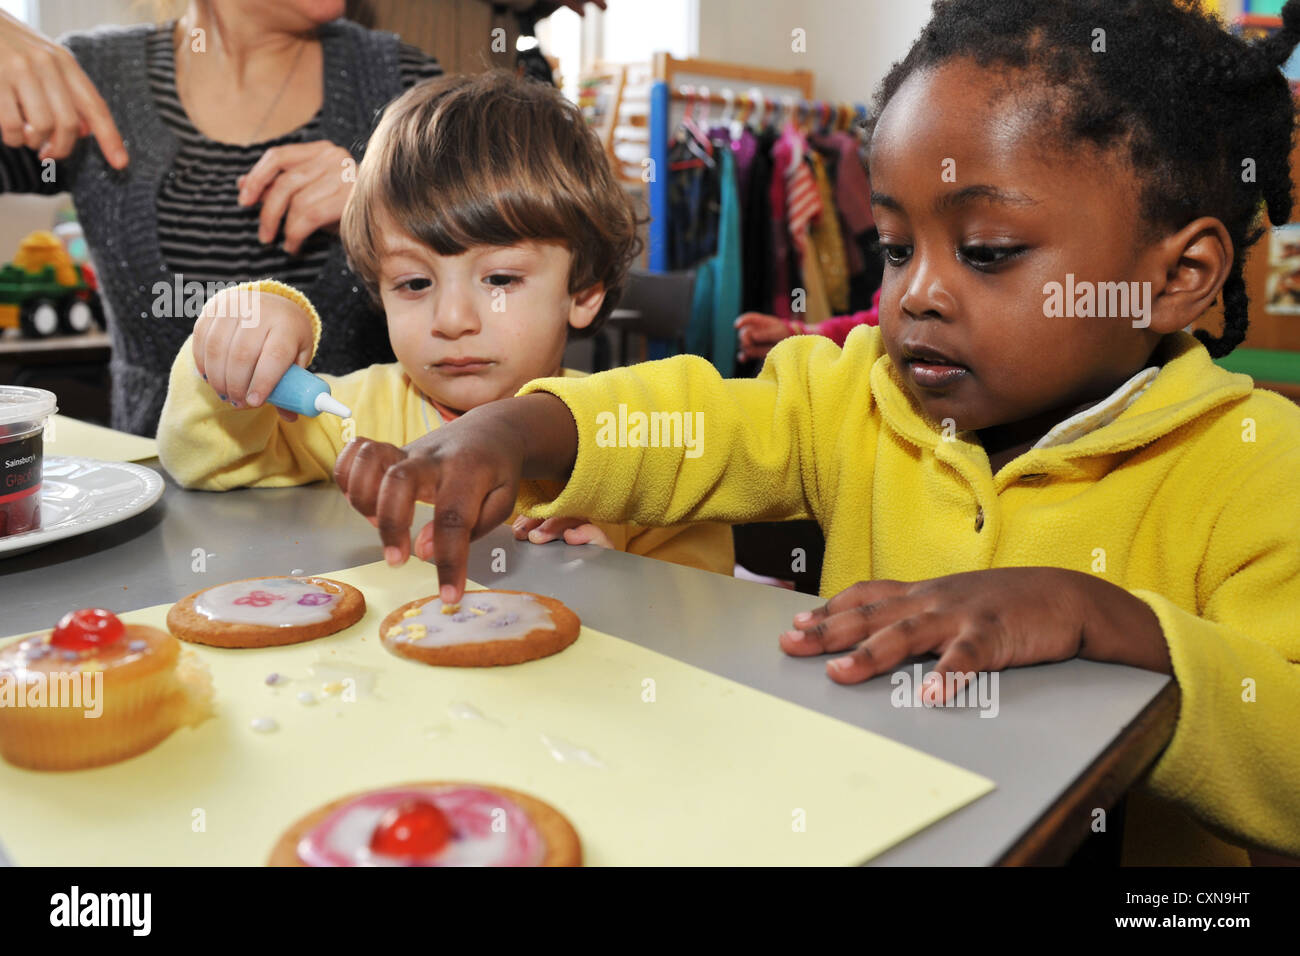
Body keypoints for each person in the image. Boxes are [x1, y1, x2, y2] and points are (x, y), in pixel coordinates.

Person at [330, 0, 1300, 865]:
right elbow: (690, 421)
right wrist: (522, 430)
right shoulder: (852, 394)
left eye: (987, 252)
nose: (914, 291)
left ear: (1176, 277)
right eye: (891, 247)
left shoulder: (1253, 464)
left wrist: (1118, 625)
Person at [155, 71, 733, 576]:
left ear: (582, 293)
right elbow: (207, 465)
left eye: (501, 280)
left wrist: (619, 579)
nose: (451, 320)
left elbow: (709, 609)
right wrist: (235, 343)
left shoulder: (637, 435)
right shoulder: (352, 417)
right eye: (414, 284)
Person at [0, 1, 440, 435]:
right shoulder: (89, 78)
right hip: (154, 494)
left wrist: (380, 214)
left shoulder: (403, 83)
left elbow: (493, 289)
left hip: (361, 491)